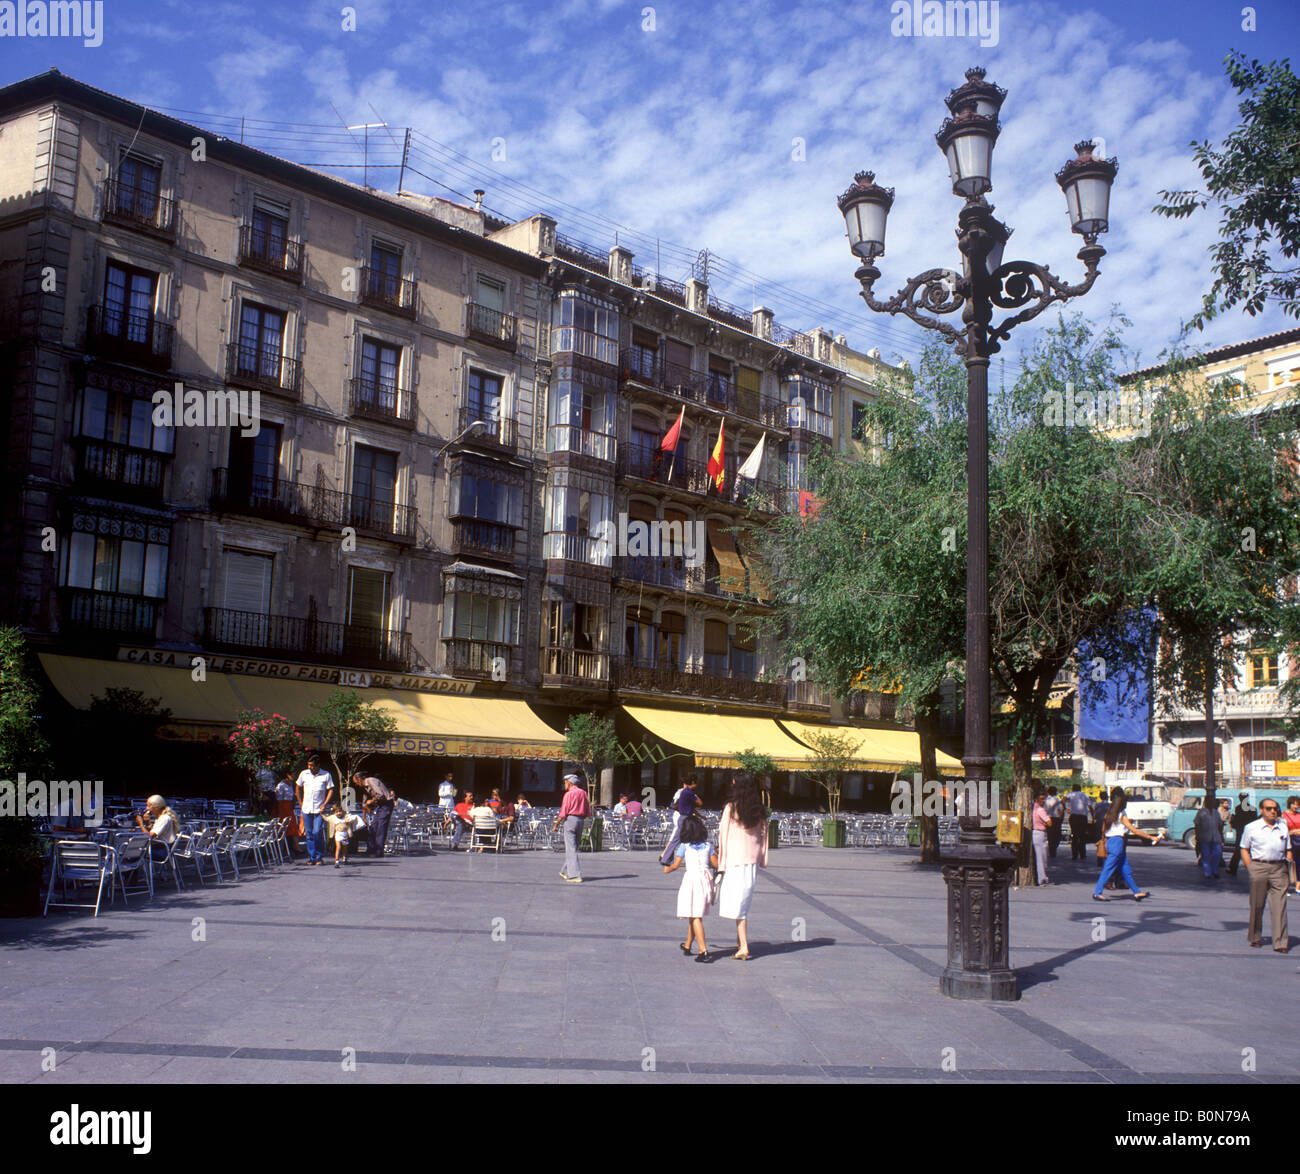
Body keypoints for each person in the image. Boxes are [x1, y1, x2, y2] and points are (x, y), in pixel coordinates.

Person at [716, 771, 769, 961]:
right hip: (751, 861)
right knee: (742, 902)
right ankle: (740, 943)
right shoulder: (758, 808)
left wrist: (721, 863)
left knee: (738, 906)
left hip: (735, 860)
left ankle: (744, 946)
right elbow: (764, 835)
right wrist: (763, 857)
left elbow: (723, 836)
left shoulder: (731, 808)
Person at [1239, 798, 1293, 951]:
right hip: (1259, 867)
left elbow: (1288, 848)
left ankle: (1280, 942)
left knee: (1280, 907)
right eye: (1269, 808)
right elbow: (1244, 848)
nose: (1273, 811)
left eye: (1275, 808)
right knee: (1257, 904)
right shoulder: (1251, 827)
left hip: (1279, 868)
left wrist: (1289, 864)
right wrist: (1251, 868)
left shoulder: (1282, 827)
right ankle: (1255, 937)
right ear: (1261, 810)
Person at [1092, 787, 1163, 901]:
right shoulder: (1121, 816)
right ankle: (1097, 892)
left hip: (1110, 842)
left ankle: (1137, 892)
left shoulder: (1108, 814)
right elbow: (1134, 831)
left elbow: (1103, 830)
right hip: (1118, 842)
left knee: (1125, 869)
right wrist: (1151, 837)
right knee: (1108, 869)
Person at [663, 813, 717, 962]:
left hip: (692, 880)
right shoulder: (708, 846)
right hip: (706, 880)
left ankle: (703, 950)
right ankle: (688, 945)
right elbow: (716, 864)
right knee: (694, 914)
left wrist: (667, 869)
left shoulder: (684, 847)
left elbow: (675, 865)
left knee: (695, 917)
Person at [296, 754, 336, 866]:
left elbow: (331, 790)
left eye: (312, 765)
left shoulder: (326, 775)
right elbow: (297, 787)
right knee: (308, 833)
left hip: (319, 809)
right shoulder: (304, 774)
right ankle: (311, 857)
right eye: (309, 765)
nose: (310, 767)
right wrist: (300, 802)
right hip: (306, 808)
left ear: (318, 765)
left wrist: (325, 803)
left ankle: (319, 856)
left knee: (317, 832)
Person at [554, 773, 591, 883]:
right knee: (574, 848)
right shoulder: (583, 793)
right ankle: (565, 871)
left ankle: (574, 875)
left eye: (565, 782)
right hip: (580, 820)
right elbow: (587, 809)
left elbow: (563, 811)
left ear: (569, 783)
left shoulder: (568, 794)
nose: (564, 784)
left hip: (570, 820)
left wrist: (556, 824)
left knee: (570, 848)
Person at [658, 776, 702, 867]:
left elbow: (691, 807)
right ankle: (666, 858)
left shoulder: (684, 792)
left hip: (684, 817)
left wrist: (700, 816)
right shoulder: (689, 792)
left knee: (682, 839)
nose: (697, 785)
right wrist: (696, 796)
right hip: (686, 818)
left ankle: (666, 858)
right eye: (696, 783)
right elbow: (700, 803)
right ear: (692, 782)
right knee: (683, 839)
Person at [354, 771, 396, 858]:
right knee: (373, 827)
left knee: (381, 827)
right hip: (381, 806)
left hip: (387, 804)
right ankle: (370, 850)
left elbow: (380, 795)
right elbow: (364, 803)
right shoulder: (364, 787)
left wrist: (371, 801)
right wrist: (364, 816)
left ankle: (379, 852)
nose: (356, 784)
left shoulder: (371, 781)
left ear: (360, 779)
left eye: (356, 782)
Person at [1193, 795, 1225, 880]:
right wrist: (1197, 836)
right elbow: (1197, 824)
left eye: (1212, 802)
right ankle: (1207, 872)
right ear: (1206, 802)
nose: (1211, 803)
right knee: (1206, 855)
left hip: (1215, 836)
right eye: (1209, 801)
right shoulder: (1201, 812)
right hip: (1204, 836)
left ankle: (1215, 871)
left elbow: (1220, 825)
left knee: (1217, 854)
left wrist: (1221, 836)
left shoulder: (1216, 812)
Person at [1227, 792, 1257, 877]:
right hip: (1251, 832)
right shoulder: (1253, 809)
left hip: (1241, 832)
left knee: (1238, 851)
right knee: (1253, 852)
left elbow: (1237, 822)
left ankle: (1233, 868)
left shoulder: (1238, 808)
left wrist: (1233, 821)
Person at [1030, 786, 1051, 886]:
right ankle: (1042, 878)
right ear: (1036, 799)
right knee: (1041, 857)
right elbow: (1049, 822)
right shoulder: (1040, 810)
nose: (1044, 801)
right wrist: (1046, 823)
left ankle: (1041, 877)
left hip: (1034, 832)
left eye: (1044, 798)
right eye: (1042, 799)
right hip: (1040, 833)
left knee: (1039, 856)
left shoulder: (1032, 808)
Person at [1065, 783, 1091, 861]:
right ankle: (1082, 854)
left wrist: (1065, 808)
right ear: (1080, 789)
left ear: (1073, 788)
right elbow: (1089, 806)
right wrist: (1092, 816)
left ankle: (1074, 854)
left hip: (1074, 817)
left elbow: (1063, 800)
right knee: (1082, 836)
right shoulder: (1085, 795)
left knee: (1074, 835)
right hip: (1083, 817)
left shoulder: (1070, 794)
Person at [274, 769, 298, 853]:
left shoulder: (291, 784)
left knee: (293, 826)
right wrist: (280, 813)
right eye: (293, 775)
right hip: (283, 807)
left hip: (289, 807)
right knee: (284, 827)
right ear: (288, 775)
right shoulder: (281, 785)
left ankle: (295, 846)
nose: (295, 777)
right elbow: (279, 800)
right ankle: (283, 848)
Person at [1283, 795, 1300, 894]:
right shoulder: (1283, 815)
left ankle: (1298, 886)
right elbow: (1281, 830)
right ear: (1289, 804)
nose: (1295, 806)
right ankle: (1286, 887)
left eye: (1297, 804)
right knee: (1287, 864)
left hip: (1299, 843)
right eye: (1294, 804)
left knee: (1299, 864)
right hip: (1288, 843)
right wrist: (1291, 832)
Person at [1045, 786, 1064, 858]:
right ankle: (1054, 849)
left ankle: (1051, 850)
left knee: (1050, 836)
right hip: (1056, 819)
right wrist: (1061, 819)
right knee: (1057, 835)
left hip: (1048, 819)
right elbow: (1061, 811)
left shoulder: (1046, 800)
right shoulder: (1058, 800)